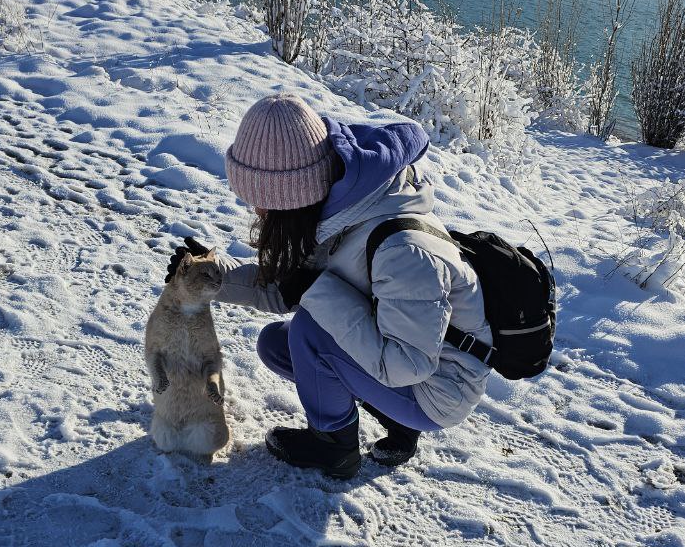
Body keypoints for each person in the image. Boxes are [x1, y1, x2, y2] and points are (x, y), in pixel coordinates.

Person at [166, 94, 492, 479]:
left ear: (292, 196)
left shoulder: (404, 252)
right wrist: (211, 276)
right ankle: (398, 422)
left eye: (263, 203)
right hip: (409, 362)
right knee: (279, 345)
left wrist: (315, 289)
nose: (257, 213)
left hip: (439, 389)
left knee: (310, 332)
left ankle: (333, 448)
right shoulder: (339, 211)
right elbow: (285, 286)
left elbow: (407, 363)